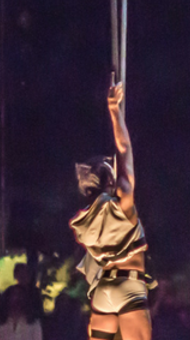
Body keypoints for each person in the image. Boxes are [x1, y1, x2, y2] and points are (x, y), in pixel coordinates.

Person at [69, 83, 154, 340]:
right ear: (109, 179)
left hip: (103, 292)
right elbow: (124, 150)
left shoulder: (84, 222)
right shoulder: (122, 203)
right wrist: (114, 111)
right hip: (129, 286)